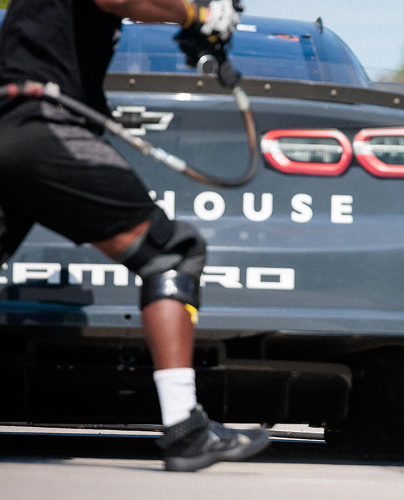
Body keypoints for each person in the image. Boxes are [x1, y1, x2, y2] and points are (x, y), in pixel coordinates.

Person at [0, 0, 268, 472]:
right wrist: (195, 15)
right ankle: (186, 431)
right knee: (172, 254)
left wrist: (189, 17)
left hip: (10, 119)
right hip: (39, 124)